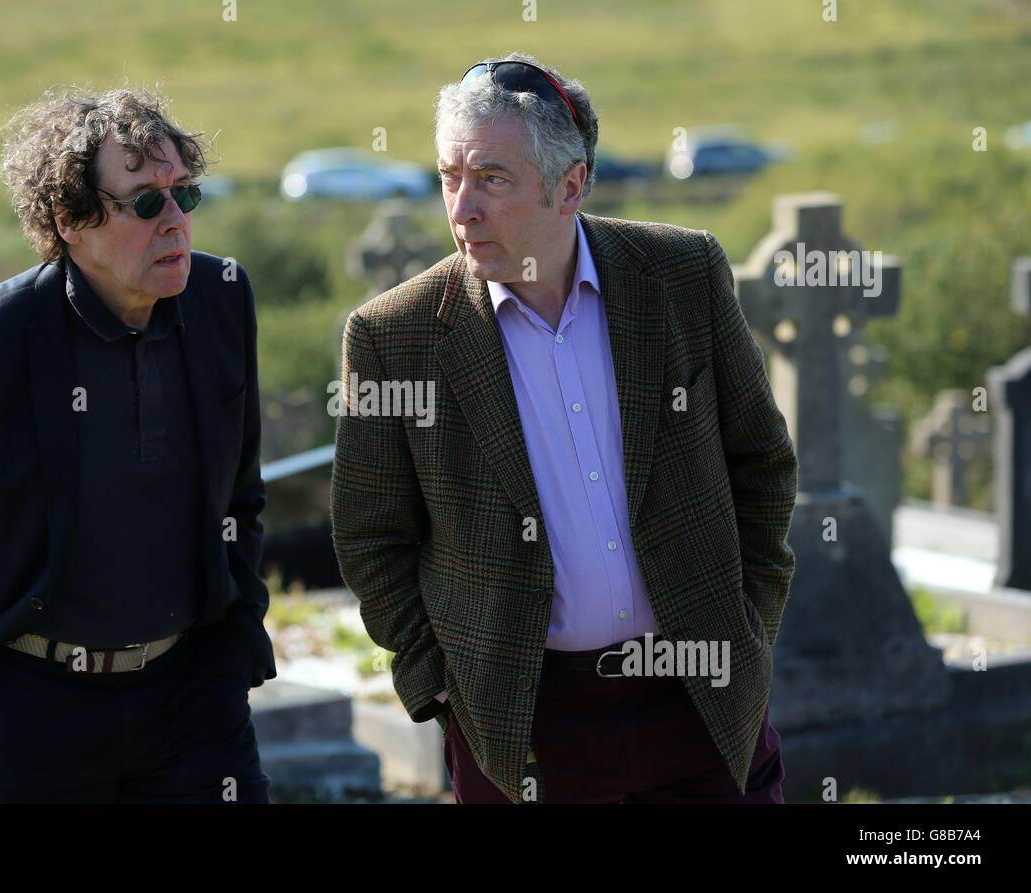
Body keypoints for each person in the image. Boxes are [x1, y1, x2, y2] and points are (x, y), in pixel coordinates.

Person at [330, 53, 798, 803]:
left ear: (569, 185)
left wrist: (749, 625)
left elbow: (761, 461)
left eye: (492, 179)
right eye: (449, 177)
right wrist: (446, 693)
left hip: (702, 702)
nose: (462, 209)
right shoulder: (394, 337)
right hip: (522, 729)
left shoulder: (681, 274)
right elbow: (370, 539)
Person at [0, 87, 275, 803]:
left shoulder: (221, 297)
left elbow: (242, 490)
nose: (175, 222)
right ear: (70, 220)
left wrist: (235, 640)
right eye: (146, 203)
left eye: (185, 194)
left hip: (194, 702)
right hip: (29, 712)